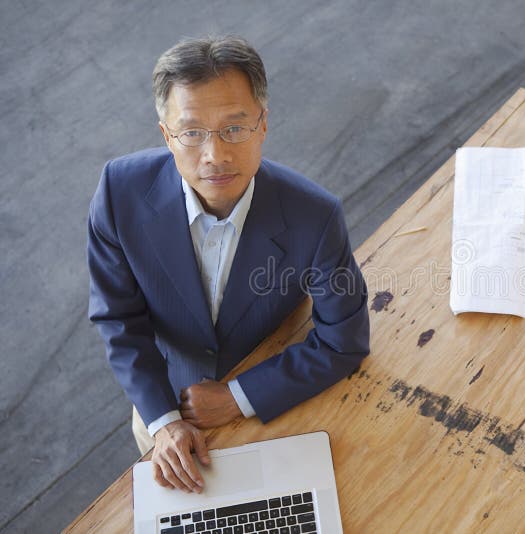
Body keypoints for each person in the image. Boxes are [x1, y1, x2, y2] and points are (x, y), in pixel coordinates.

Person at [87, 36, 370, 494]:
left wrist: (239, 397)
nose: (215, 155)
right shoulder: (118, 194)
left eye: (235, 129)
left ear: (262, 126)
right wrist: (163, 423)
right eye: (192, 132)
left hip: (275, 405)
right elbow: (117, 318)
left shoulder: (316, 217)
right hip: (163, 408)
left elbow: (344, 342)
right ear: (166, 135)